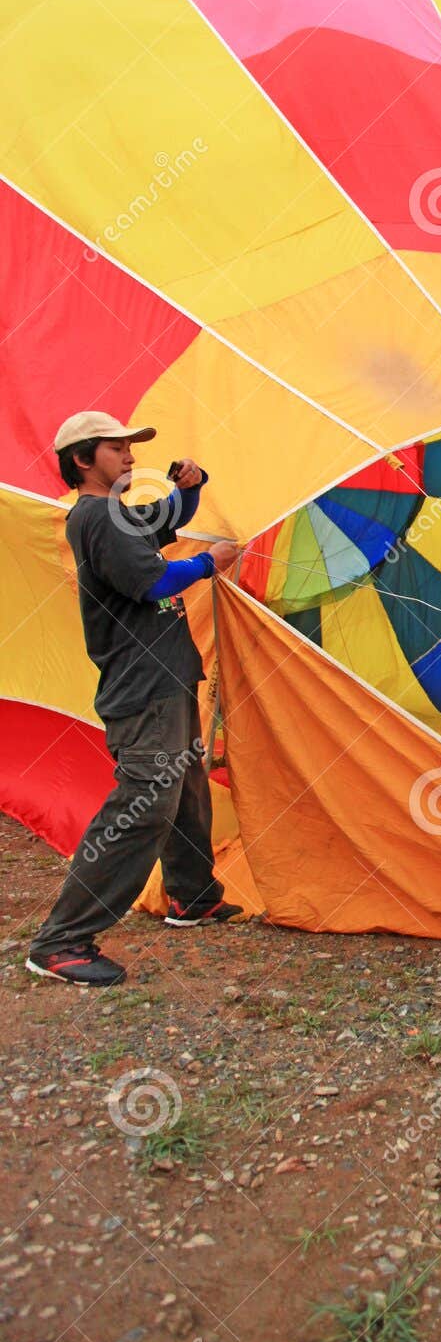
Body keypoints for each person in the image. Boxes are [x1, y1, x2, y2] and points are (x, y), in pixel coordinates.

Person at [26, 413, 244, 988]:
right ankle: (61, 941)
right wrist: (207, 563)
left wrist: (189, 488)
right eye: (116, 447)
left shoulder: (117, 515)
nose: (128, 456)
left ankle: (191, 896)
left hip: (164, 678)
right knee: (145, 802)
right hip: (141, 687)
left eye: (130, 447)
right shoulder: (97, 517)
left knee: (187, 786)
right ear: (82, 459)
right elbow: (152, 583)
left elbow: (169, 519)